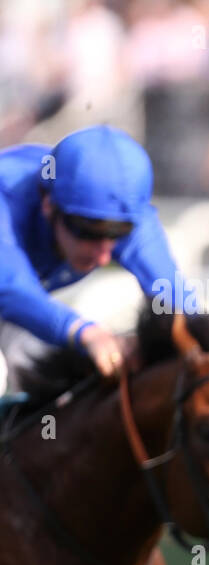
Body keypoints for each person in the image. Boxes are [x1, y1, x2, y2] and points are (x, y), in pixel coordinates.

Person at [0, 124, 192, 391]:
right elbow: (10, 290)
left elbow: (177, 301)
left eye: (118, 235)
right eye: (88, 233)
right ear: (48, 204)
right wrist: (87, 332)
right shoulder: (7, 198)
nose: (103, 256)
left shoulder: (122, 209)